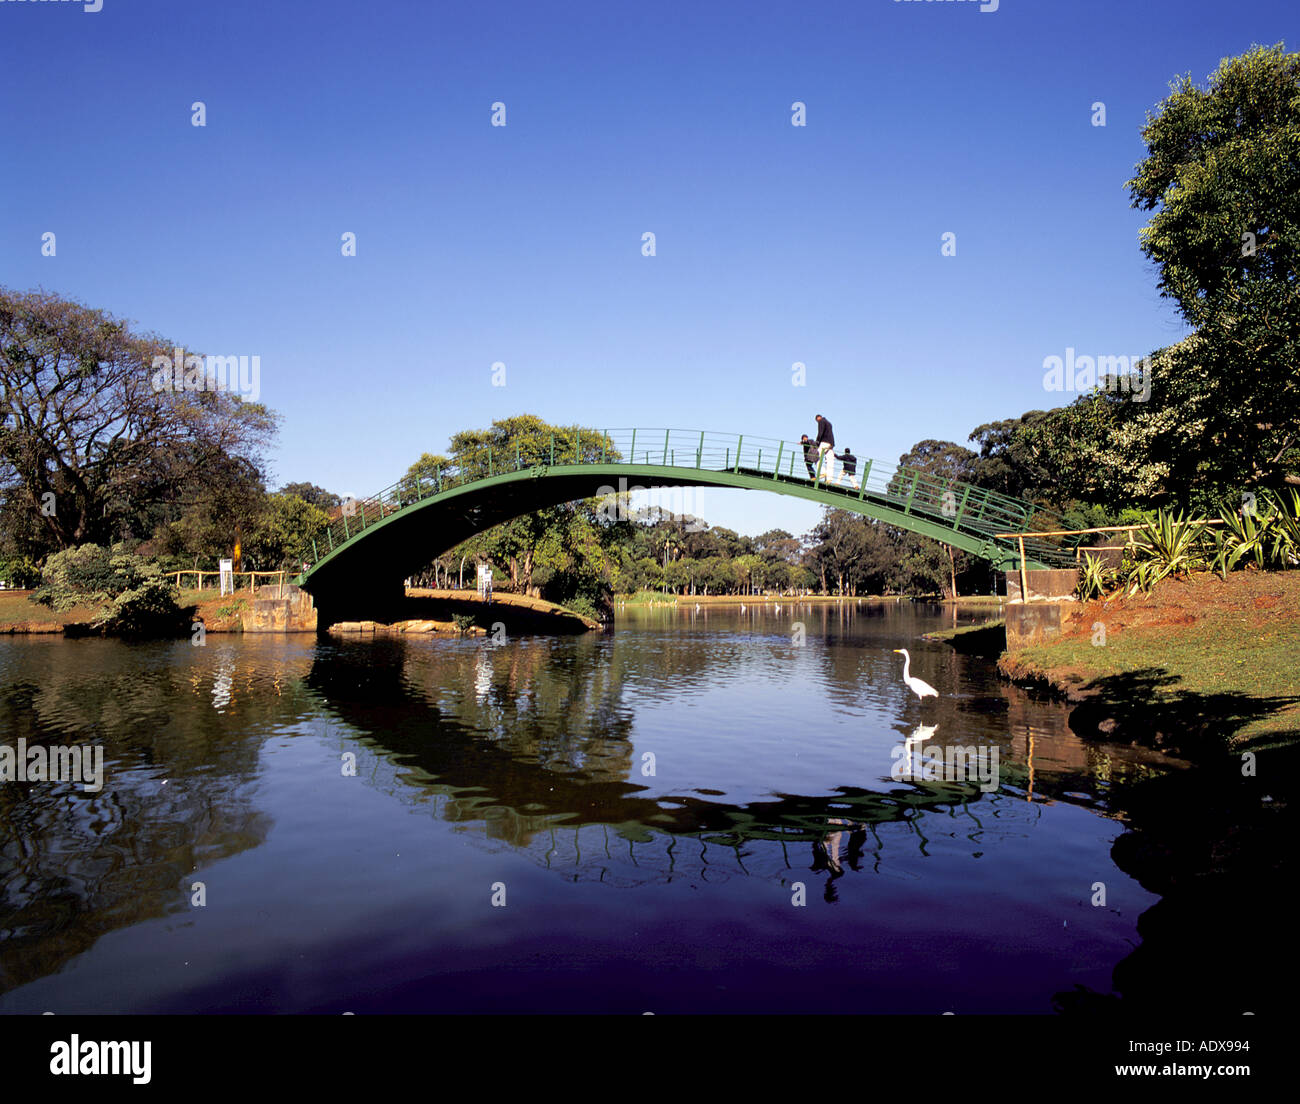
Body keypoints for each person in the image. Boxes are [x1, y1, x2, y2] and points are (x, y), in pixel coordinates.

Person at [814, 414, 835, 483]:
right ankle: (829, 479)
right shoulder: (829, 423)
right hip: (831, 443)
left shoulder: (821, 421)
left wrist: (817, 442)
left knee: (816, 457)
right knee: (829, 461)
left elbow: (820, 432)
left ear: (818, 418)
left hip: (824, 442)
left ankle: (822, 472)